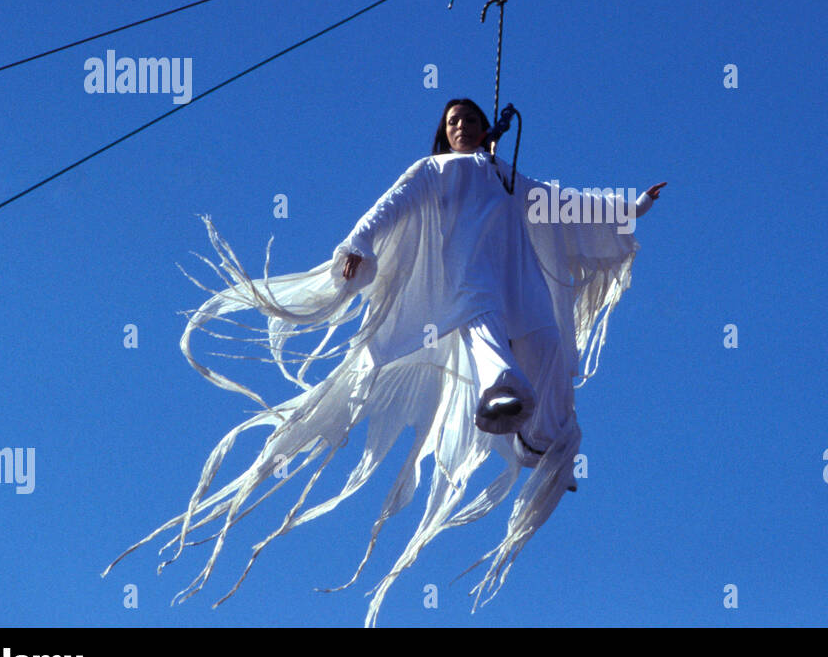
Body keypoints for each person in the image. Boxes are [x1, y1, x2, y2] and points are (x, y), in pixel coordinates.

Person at [104, 97, 664, 627]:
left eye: (469, 118)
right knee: (492, 351)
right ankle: (503, 404)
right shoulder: (434, 171)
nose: (460, 126)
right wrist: (356, 245)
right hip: (470, 285)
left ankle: (542, 447)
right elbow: (388, 205)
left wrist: (632, 208)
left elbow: (568, 208)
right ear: (444, 134)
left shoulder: (511, 179)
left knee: (549, 363)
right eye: (452, 121)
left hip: (524, 288)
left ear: (486, 128)